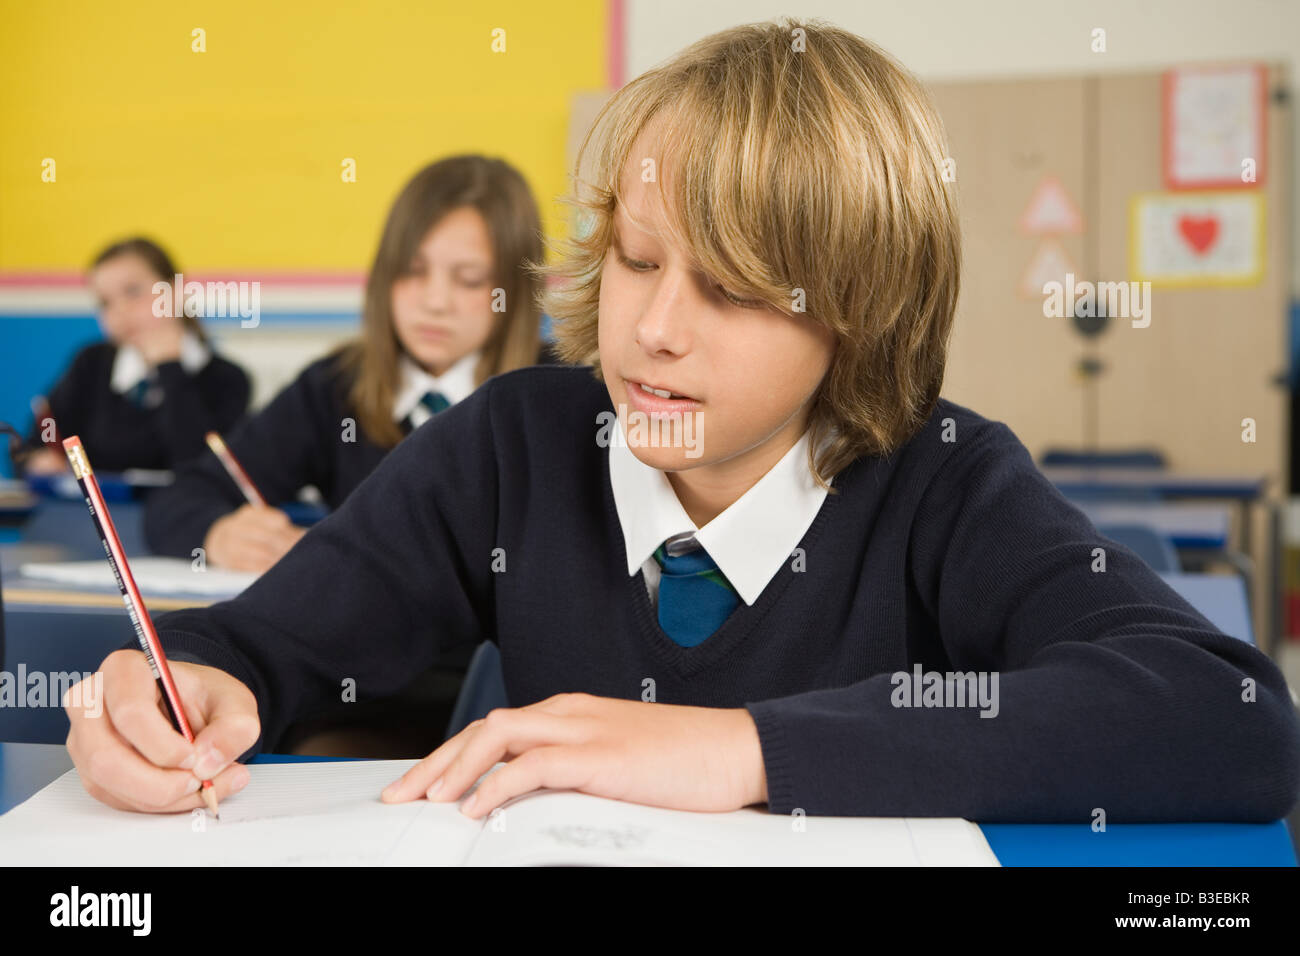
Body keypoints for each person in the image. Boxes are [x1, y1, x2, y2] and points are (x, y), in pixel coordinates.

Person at [64, 19, 1299, 822]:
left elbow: (1226, 718)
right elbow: (273, 640)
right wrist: (186, 681)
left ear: (857, 319)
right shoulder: (517, 444)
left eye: (736, 290)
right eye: (639, 260)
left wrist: (745, 748)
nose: (652, 327)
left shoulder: (942, 480)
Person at [143, 155, 553, 574]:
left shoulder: (561, 396)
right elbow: (179, 500)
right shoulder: (334, 387)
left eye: (469, 279)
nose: (434, 302)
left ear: (516, 290)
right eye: (411, 271)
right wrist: (220, 534)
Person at [17, 237, 249, 475]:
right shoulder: (92, 363)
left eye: (133, 291)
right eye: (105, 302)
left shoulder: (228, 378)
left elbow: (202, 466)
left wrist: (170, 367)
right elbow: (35, 443)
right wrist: (36, 461)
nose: (120, 311)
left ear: (176, 292)